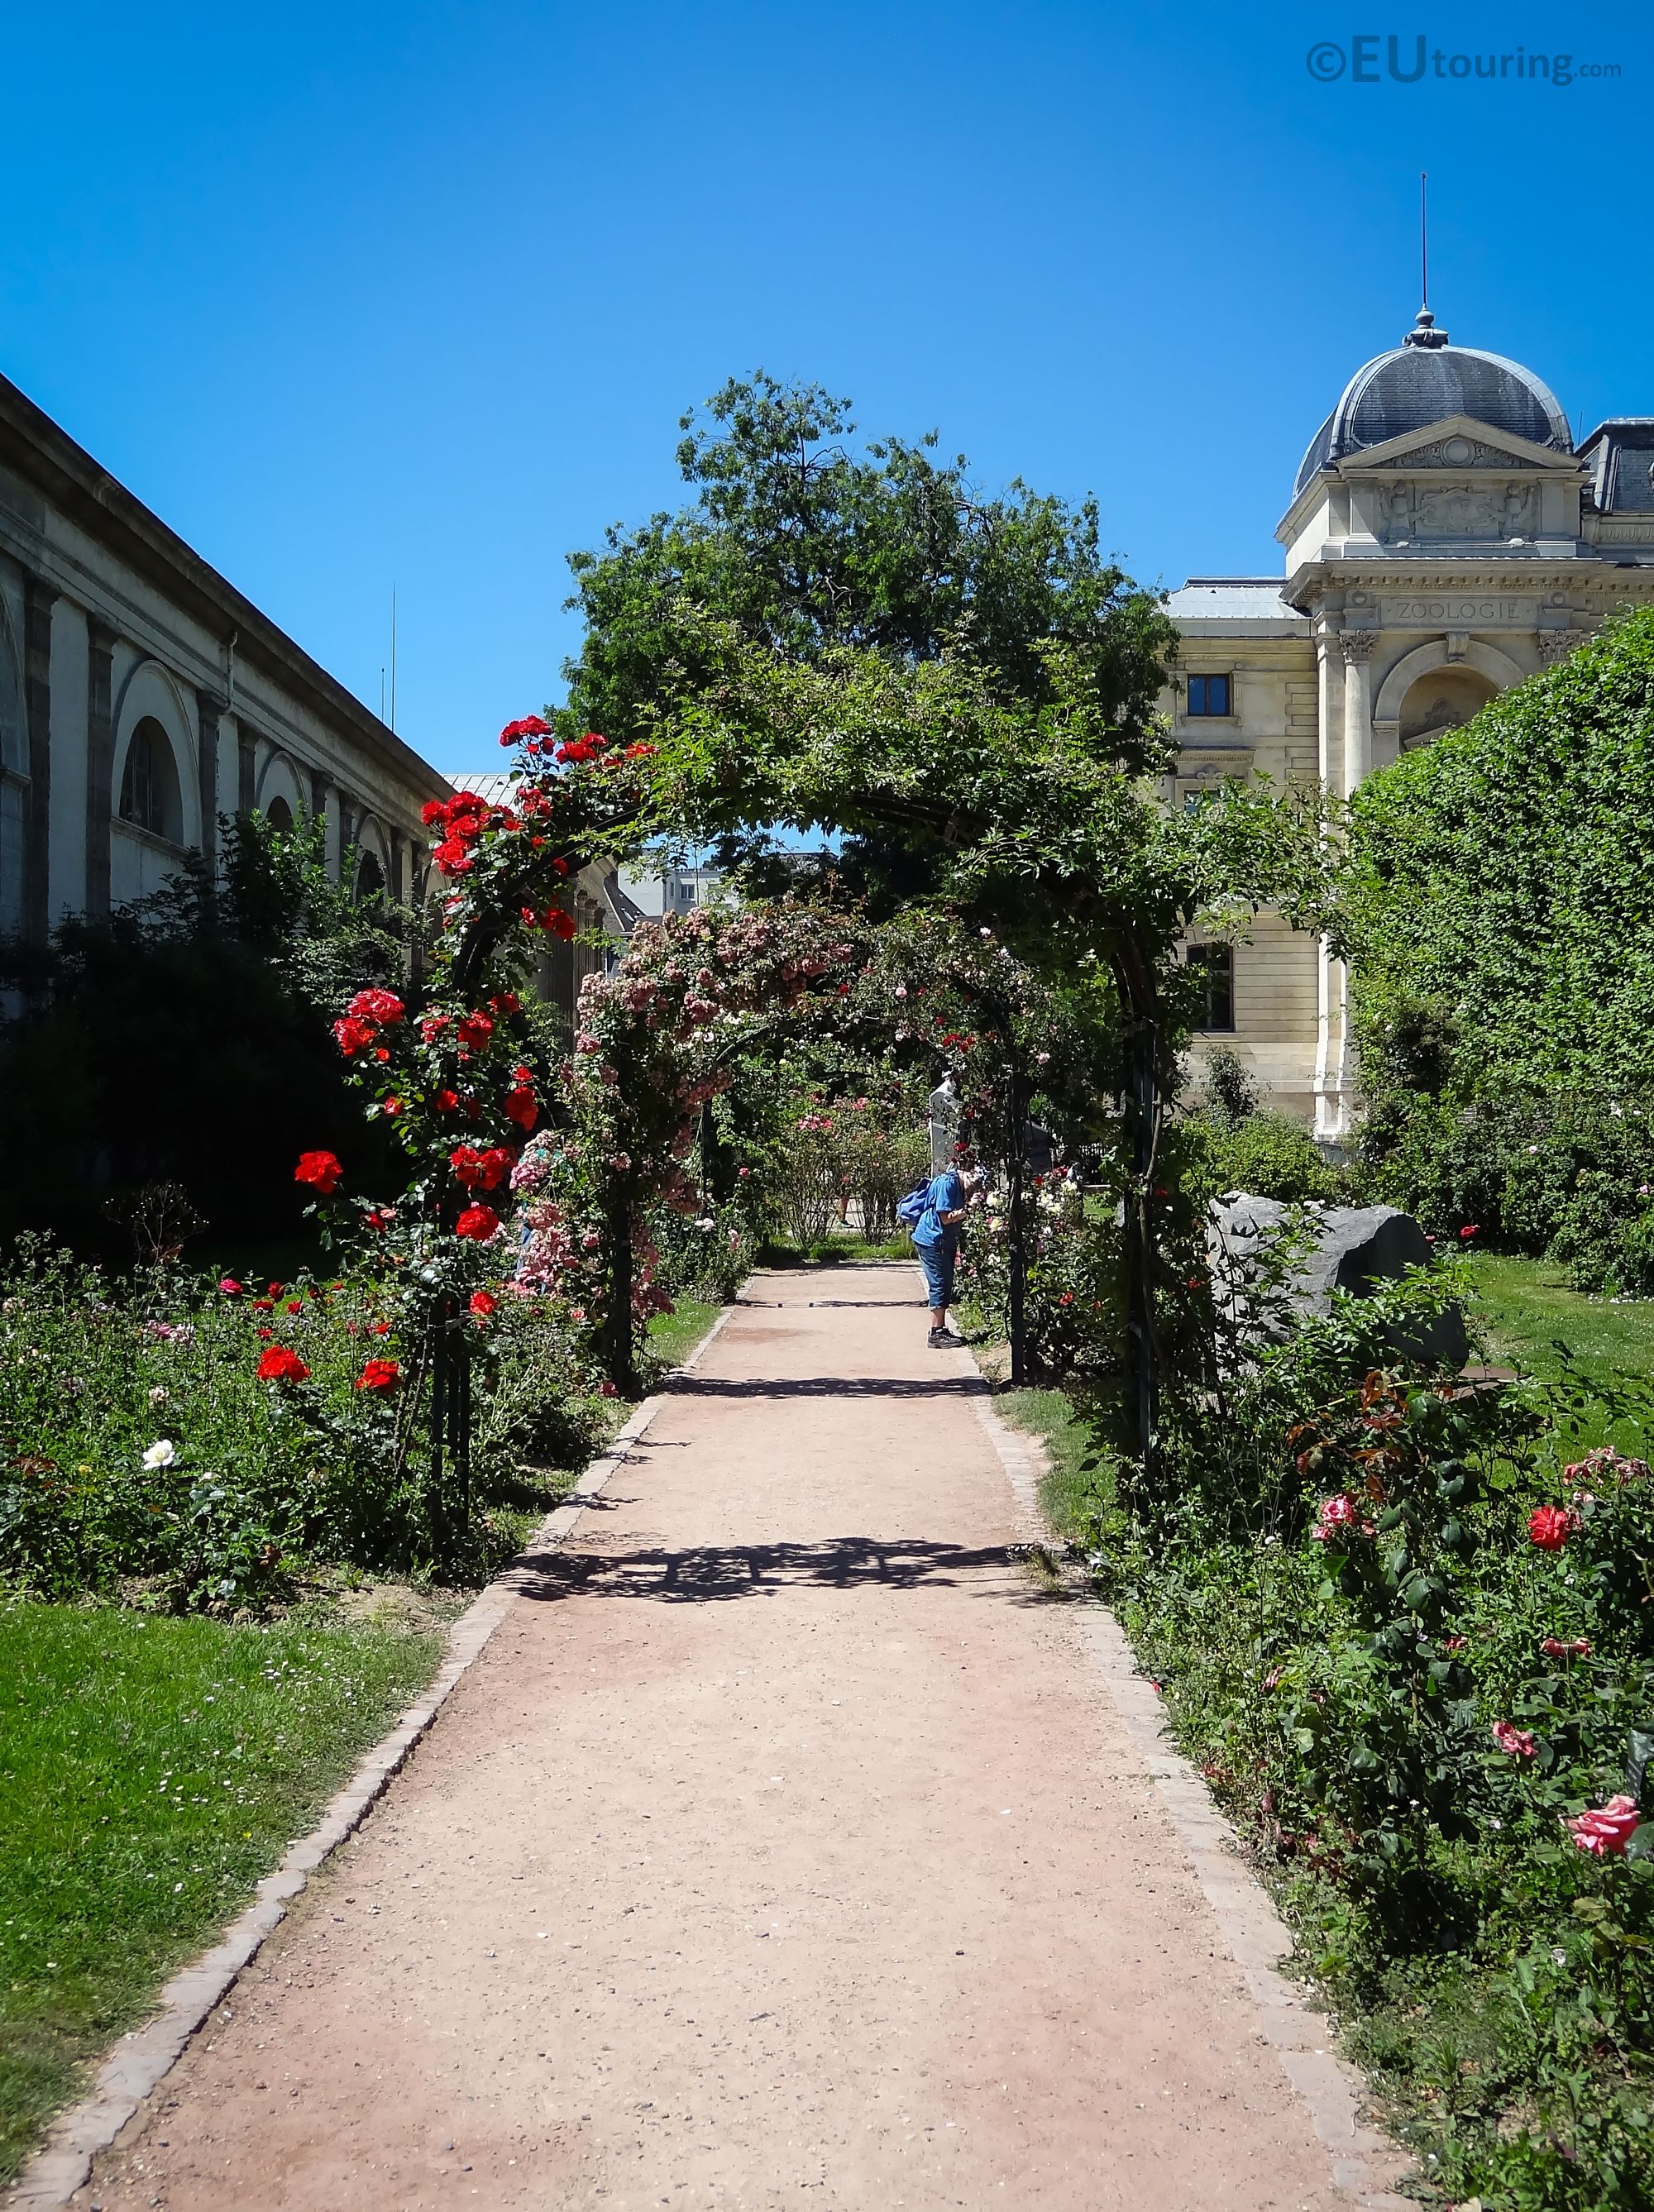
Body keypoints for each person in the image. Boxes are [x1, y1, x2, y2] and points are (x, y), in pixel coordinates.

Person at [912, 1163, 975, 1348]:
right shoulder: (947, 1184)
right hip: (933, 1240)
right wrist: (968, 1210)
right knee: (939, 1283)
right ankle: (936, 1333)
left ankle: (941, 1328)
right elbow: (946, 1218)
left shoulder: (956, 1183)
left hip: (942, 1241)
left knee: (946, 1283)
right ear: (966, 1172)